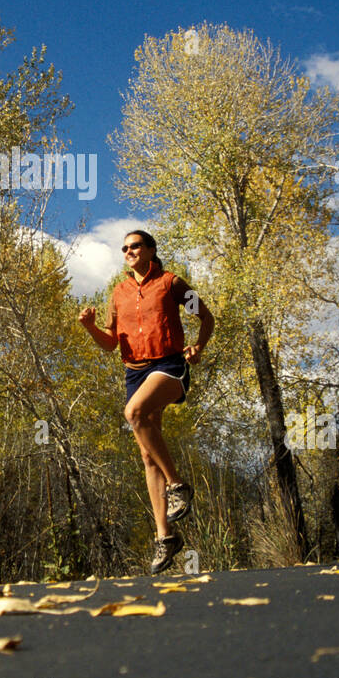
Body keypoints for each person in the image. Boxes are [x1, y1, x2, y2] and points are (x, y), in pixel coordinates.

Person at [79, 230, 215, 573]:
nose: (129, 251)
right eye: (124, 248)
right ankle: (165, 537)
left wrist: (198, 347)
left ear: (151, 250)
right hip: (135, 372)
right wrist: (90, 327)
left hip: (169, 366)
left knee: (134, 412)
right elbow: (110, 343)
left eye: (135, 245)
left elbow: (206, 317)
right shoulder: (119, 292)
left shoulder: (172, 284)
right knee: (146, 453)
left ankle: (177, 486)